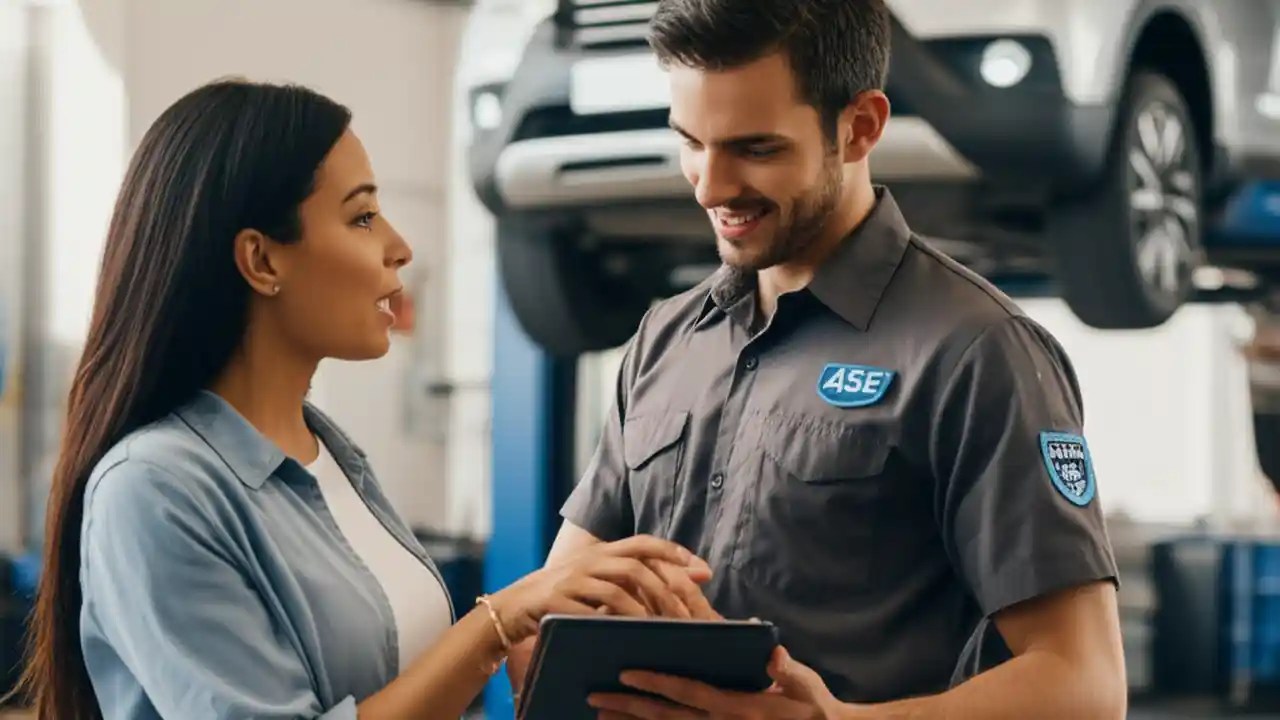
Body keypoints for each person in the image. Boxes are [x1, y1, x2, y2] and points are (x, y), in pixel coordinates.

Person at [10, 79, 716, 720]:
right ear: (261, 259)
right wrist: (496, 624)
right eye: (361, 218)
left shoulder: (332, 457)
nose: (400, 247)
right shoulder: (155, 490)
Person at [506, 1, 1128, 717]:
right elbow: (552, 613)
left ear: (860, 126)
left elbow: (1084, 685)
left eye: (755, 148)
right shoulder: (665, 341)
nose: (709, 186)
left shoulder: (976, 352)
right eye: (690, 141)